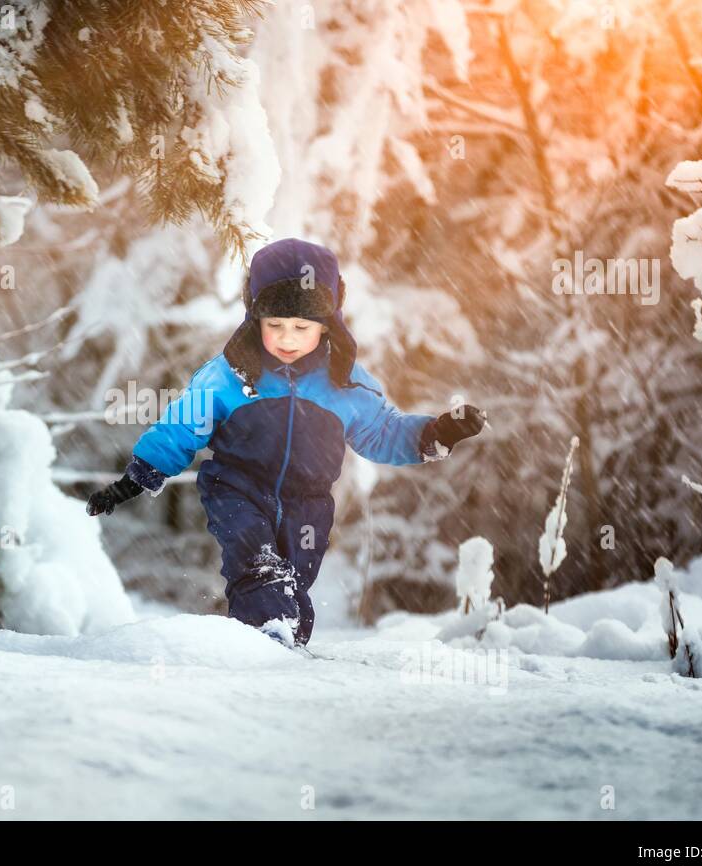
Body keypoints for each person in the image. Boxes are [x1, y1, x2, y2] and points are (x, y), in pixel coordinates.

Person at [86, 238, 486, 647]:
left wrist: (436, 434)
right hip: (236, 490)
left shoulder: (344, 384)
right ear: (253, 316)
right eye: (274, 325)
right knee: (257, 568)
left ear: (328, 324)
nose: (287, 338)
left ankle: (278, 651)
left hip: (309, 504)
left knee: (293, 586)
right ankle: (266, 642)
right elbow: (182, 426)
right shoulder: (231, 376)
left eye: (302, 327)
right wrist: (136, 478)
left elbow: (382, 432)